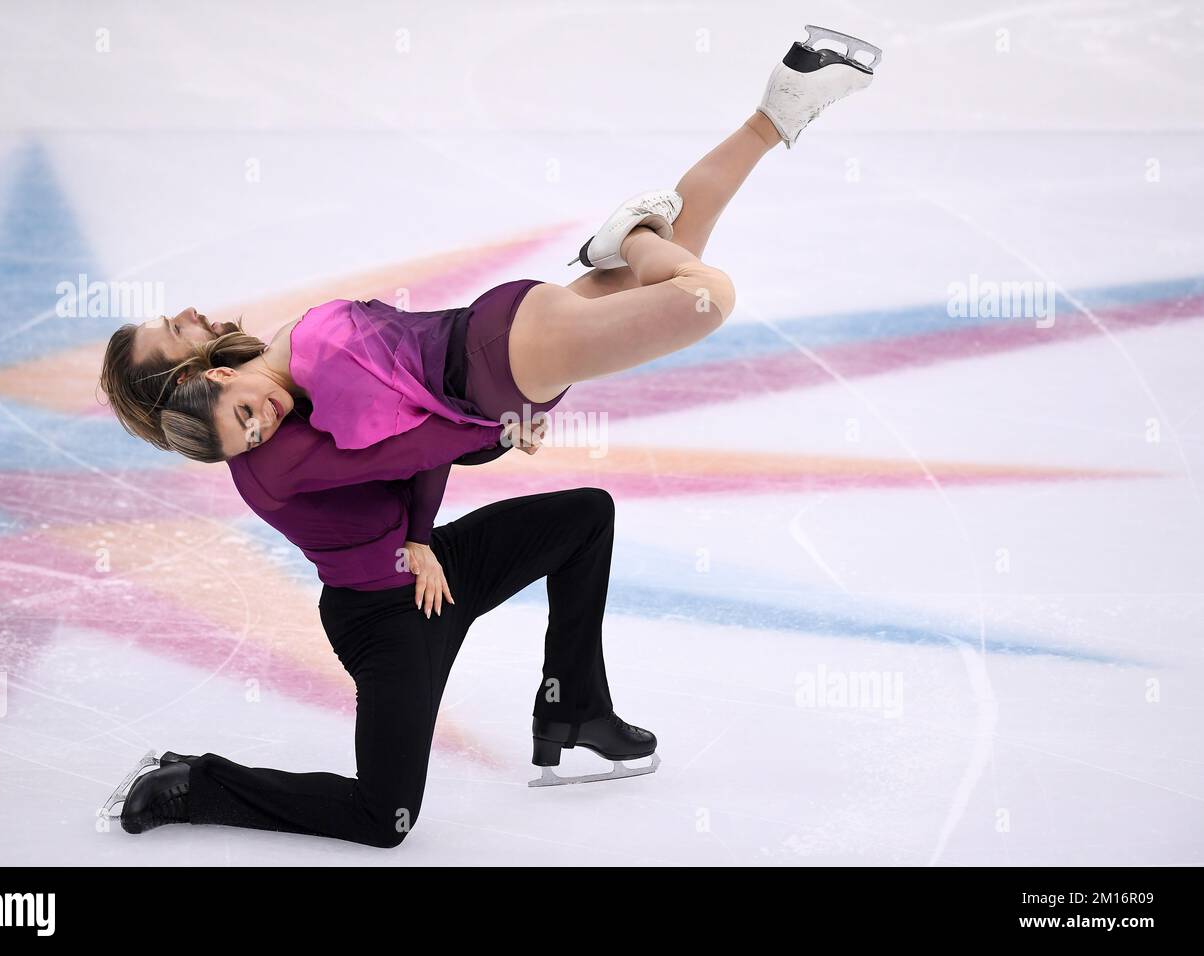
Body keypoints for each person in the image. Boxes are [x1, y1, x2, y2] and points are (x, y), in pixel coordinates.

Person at [99, 26, 882, 847]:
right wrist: (437, 510)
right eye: (171, 334)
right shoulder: (269, 449)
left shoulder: (280, 372)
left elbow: (410, 439)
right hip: (389, 613)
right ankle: (776, 111)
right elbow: (406, 452)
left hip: (490, 369)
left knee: (699, 297)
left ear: (214, 380)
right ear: (180, 387)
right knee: (389, 814)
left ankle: (631, 239)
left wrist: (458, 474)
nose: (189, 317)